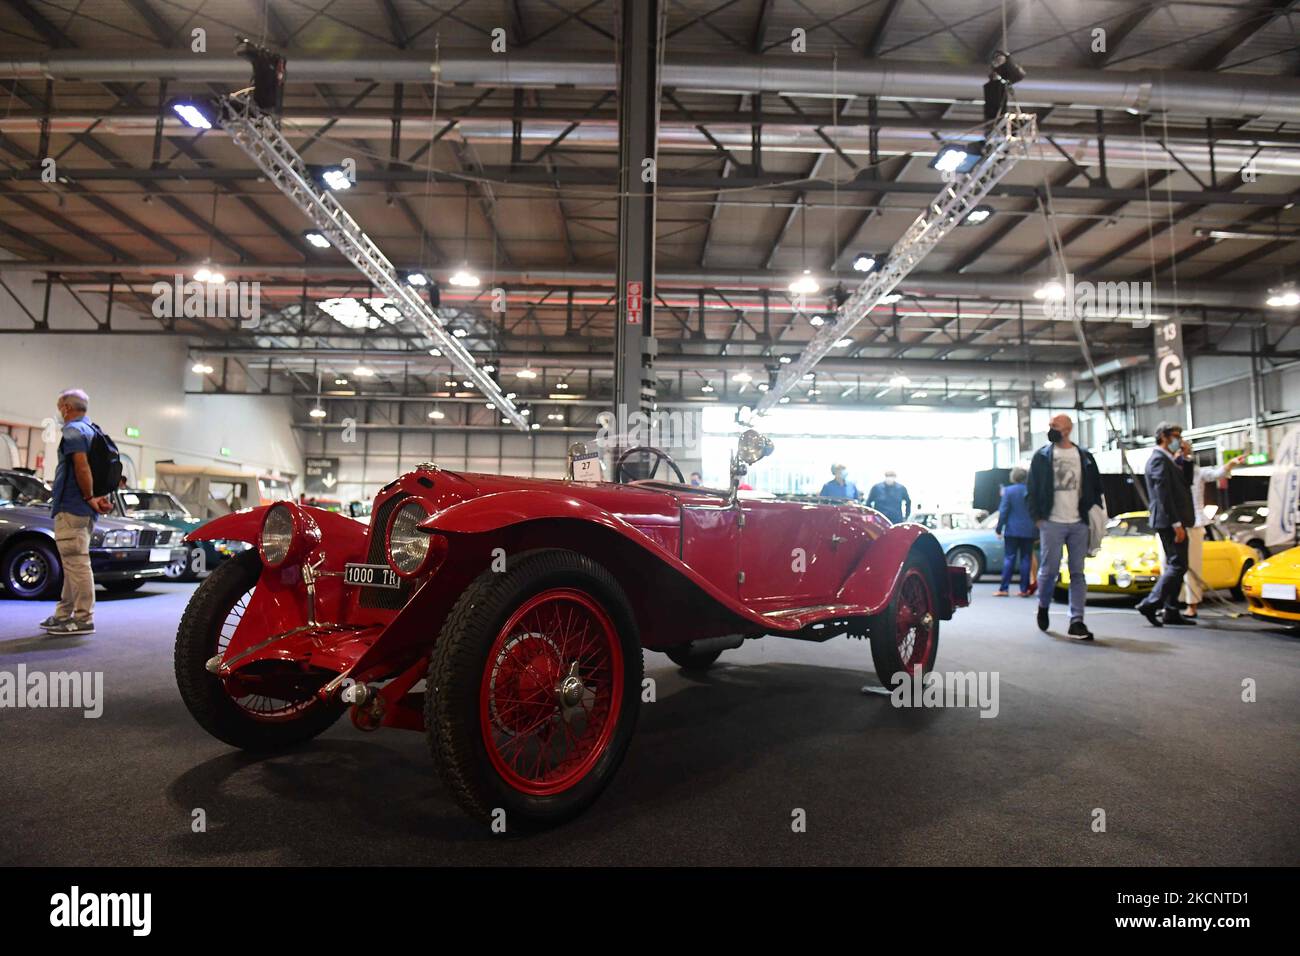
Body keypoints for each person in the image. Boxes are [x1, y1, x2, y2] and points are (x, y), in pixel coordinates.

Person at [42, 389, 113, 636]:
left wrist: (88, 496)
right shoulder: (92, 429)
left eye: (60, 407)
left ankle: (83, 618)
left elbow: (81, 466)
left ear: (65, 408)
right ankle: (63, 614)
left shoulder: (73, 431)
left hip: (72, 507)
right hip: (82, 510)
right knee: (73, 564)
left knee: (78, 564)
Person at [1028, 413, 1104, 639]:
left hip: (1079, 522)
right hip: (1051, 522)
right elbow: (1031, 489)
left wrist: (1094, 513)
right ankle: (1043, 606)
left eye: (1055, 425)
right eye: (1050, 425)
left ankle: (1077, 620)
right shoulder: (1041, 457)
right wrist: (1038, 519)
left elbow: (1096, 487)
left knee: (1077, 572)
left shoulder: (1085, 457)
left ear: (1068, 429)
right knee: (1049, 570)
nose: (1050, 428)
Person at [1174, 440, 1245, 618]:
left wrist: (1230, 464)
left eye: (1185, 449)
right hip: (1174, 523)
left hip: (1194, 523)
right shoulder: (1168, 469)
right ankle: (1173, 604)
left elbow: (1216, 473)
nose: (1181, 452)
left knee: (1193, 566)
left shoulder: (1197, 471)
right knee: (1172, 567)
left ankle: (1192, 604)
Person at [1136, 422, 1197, 627]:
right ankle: (1151, 603)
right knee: (1178, 564)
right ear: (1163, 436)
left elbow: (1186, 482)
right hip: (1169, 520)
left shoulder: (1170, 459)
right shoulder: (1158, 460)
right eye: (1175, 436)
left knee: (1178, 564)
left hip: (1173, 519)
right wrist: (1176, 523)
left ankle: (1171, 610)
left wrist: (1186, 458)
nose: (1179, 440)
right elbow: (1164, 495)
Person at [994, 466, 1035, 597]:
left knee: (1009, 558)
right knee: (1026, 559)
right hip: (1029, 530)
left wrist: (999, 528)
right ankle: (1024, 589)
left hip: (1012, 530)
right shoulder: (1031, 491)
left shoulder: (1008, 491)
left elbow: (1004, 511)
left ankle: (1004, 588)